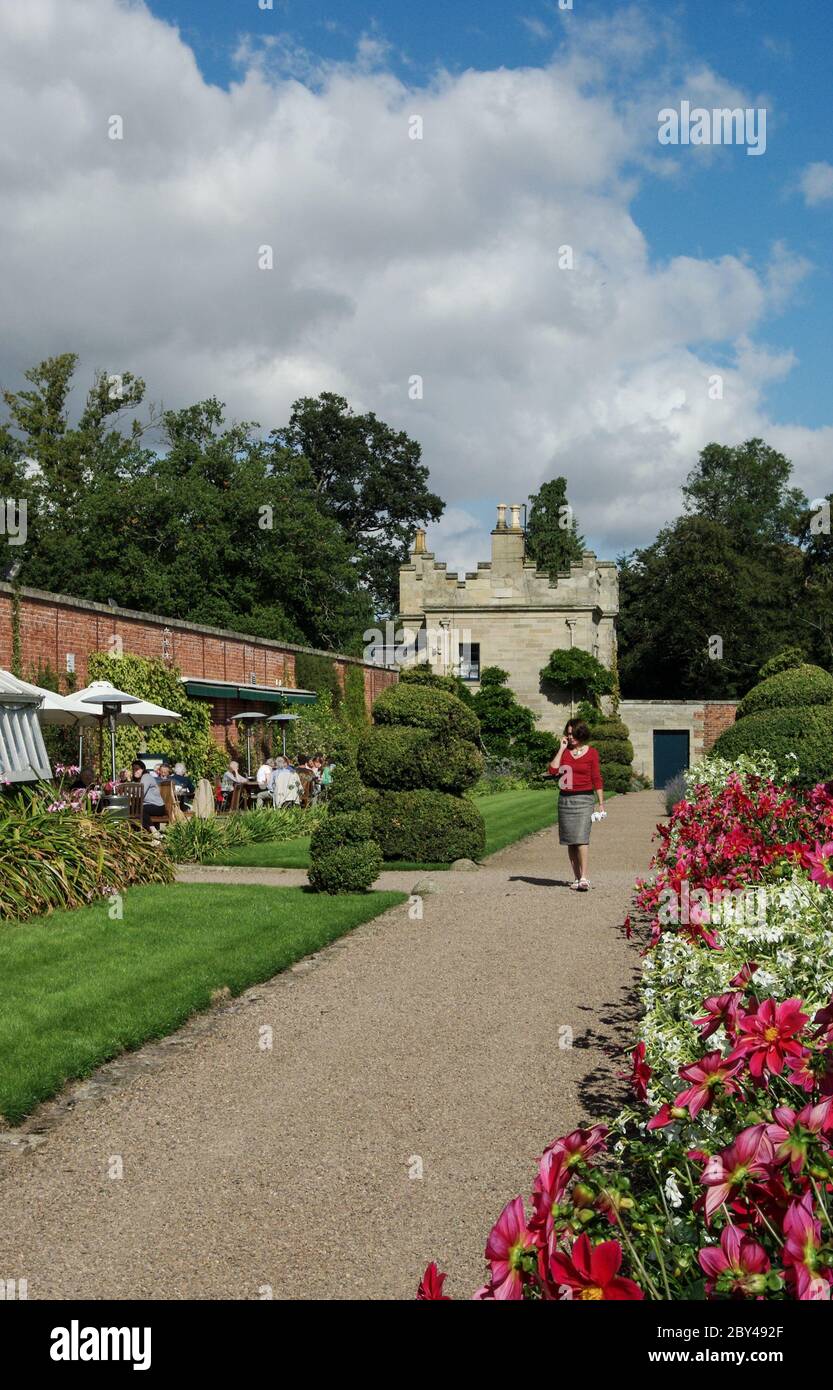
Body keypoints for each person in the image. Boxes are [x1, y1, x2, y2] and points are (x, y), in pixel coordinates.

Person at [547, 719, 605, 892]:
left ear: (581, 733)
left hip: (584, 800)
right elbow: (553, 771)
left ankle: (584, 877)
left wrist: (601, 803)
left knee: (581, 838)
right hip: (565, 800)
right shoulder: (564, 752)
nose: (571, 737)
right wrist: (561, 748)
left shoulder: (592, 753)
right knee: (570, 841)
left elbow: (596, 778)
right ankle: (576, 877)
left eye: (574, 734)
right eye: (569, 733)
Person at [132, 758, 166, 832]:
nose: (135, 771)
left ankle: (154, 832)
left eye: (137, 769)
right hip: (148, 806)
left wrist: (128, 789)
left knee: (139, 809)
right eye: (133, 769)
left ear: (143, 769)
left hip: (158, 807)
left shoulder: (146, 776)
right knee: (131, 809)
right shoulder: (138, 780)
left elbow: (140, 793)